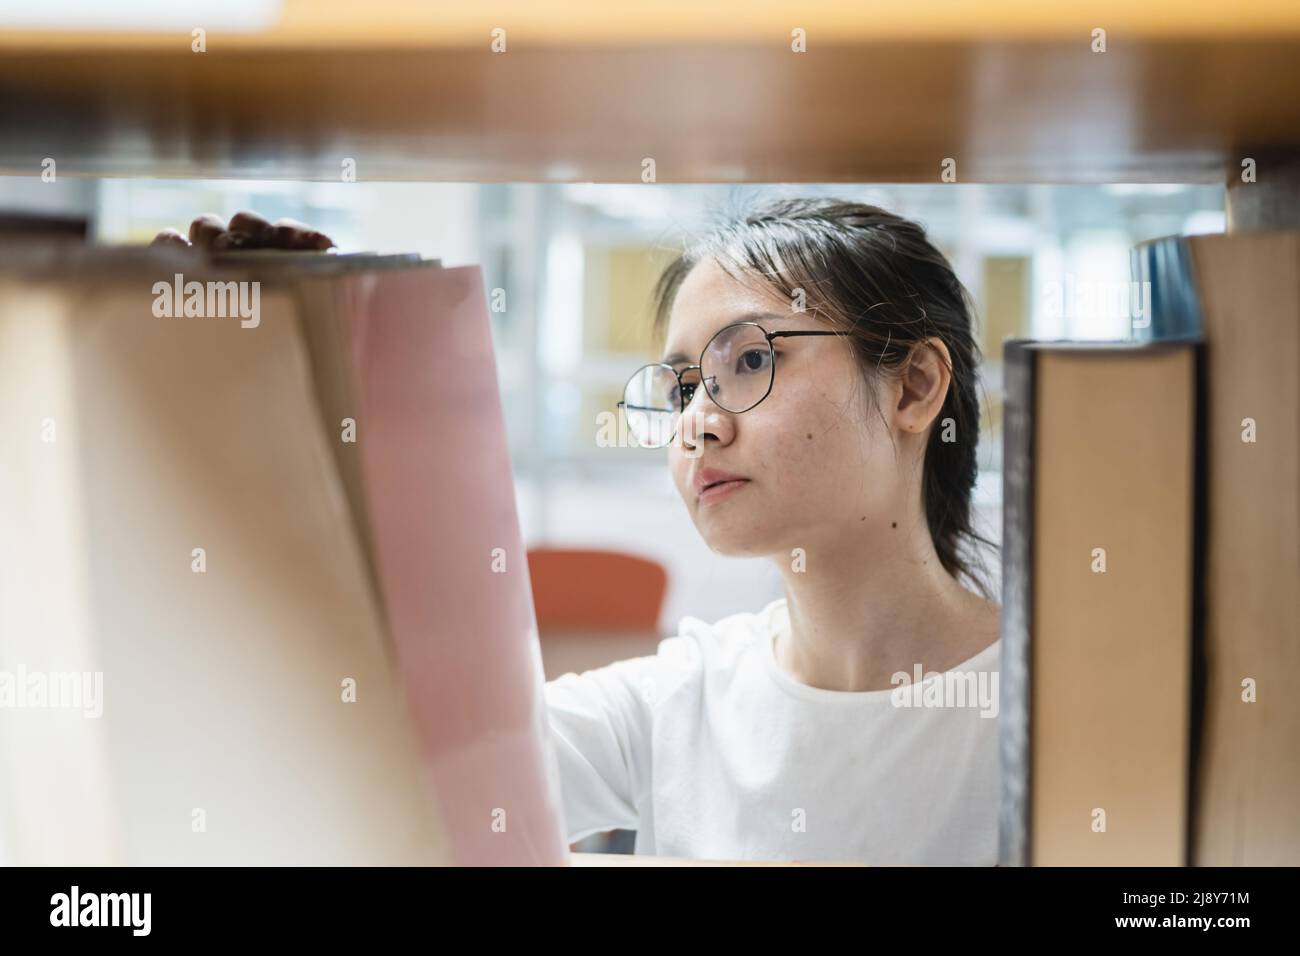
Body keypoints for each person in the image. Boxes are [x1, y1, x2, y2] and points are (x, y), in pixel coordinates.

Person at [158, 198, 1001, 865]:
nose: (697, 425)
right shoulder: (674, 703)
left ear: (914, 387)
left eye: (749, 361)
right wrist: (288, 372)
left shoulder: (1048, 712)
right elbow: (369, 778)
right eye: (677, 391)